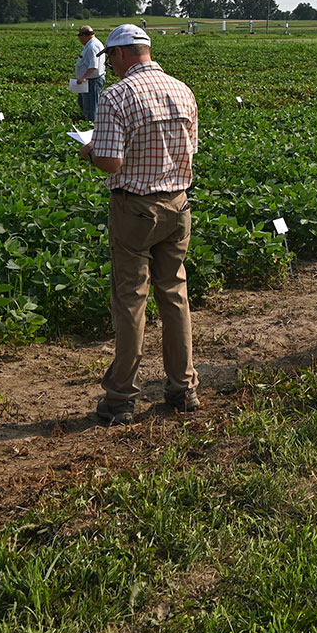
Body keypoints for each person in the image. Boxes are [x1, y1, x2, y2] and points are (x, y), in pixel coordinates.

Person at [82, 24, 201, 425]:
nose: (111, 66)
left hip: (135, 208)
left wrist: (89, 151)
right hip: (178, 204)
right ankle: (183, 389)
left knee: (131, 300)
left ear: (121, 54)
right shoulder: (183, 90)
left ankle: (121, 399)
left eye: (111, 58)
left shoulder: (117, 96)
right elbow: (190, 150)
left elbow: (110, 162)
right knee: (175, 294)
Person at [73, 25, 106, 121]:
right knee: (85, 105)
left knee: (91, 109)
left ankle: (92, 127)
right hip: (89, 81)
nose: (79, 39)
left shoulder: (92, 46)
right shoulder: (92, 44)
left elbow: (93, 66)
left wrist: (84, 77)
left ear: (84, 35)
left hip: (92, 81)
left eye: (79, 36)